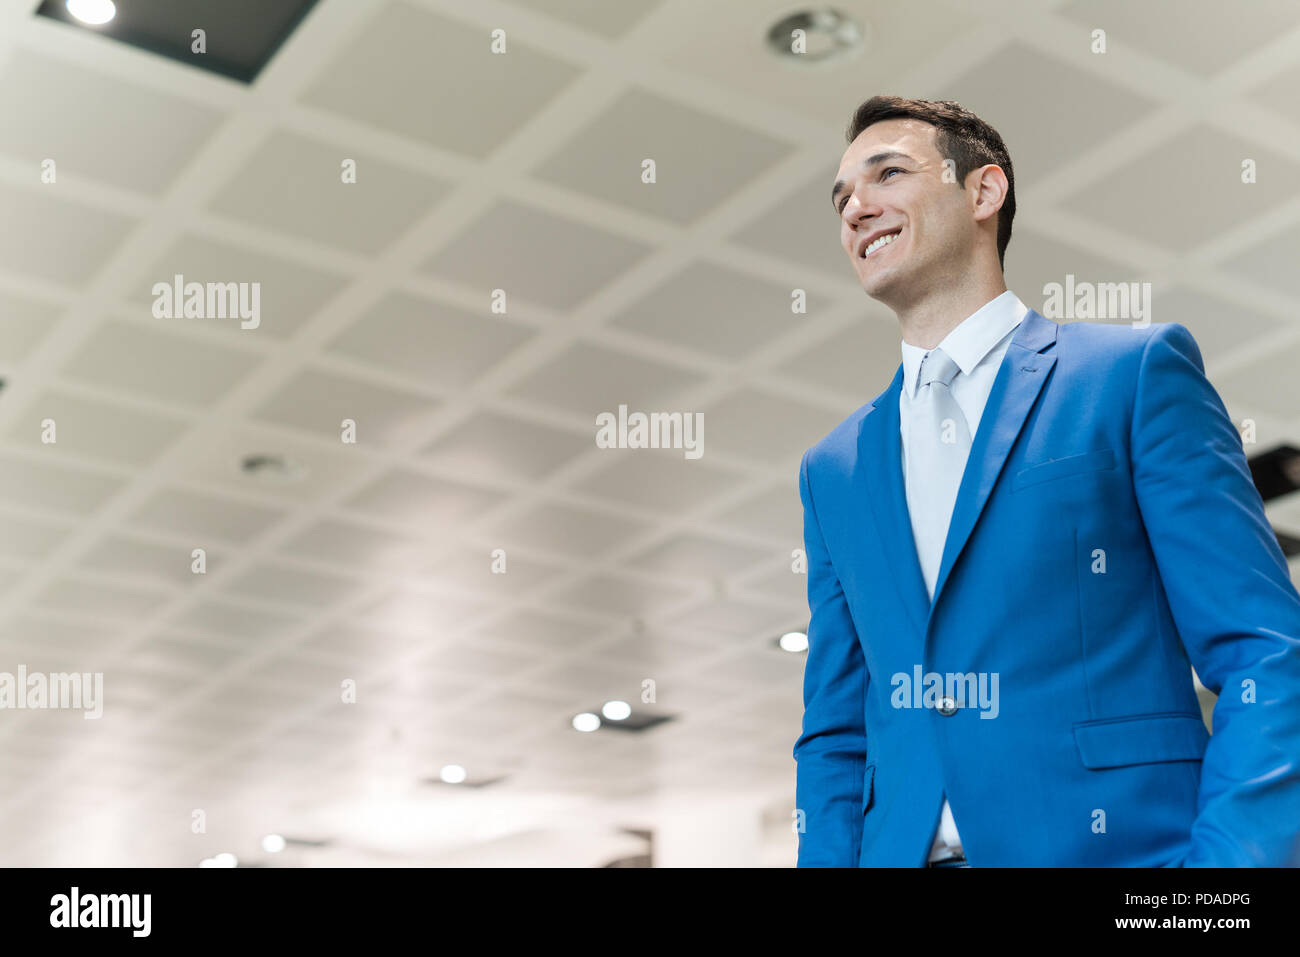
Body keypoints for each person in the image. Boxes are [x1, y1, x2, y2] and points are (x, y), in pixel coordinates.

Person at [793, 95, 1300, 867]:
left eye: (887, 173)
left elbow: (1266, 653)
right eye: (841, 199)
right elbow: (835, 733)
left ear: (984, 192)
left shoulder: (1130, 376)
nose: (856, 207)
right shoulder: (832, 468)